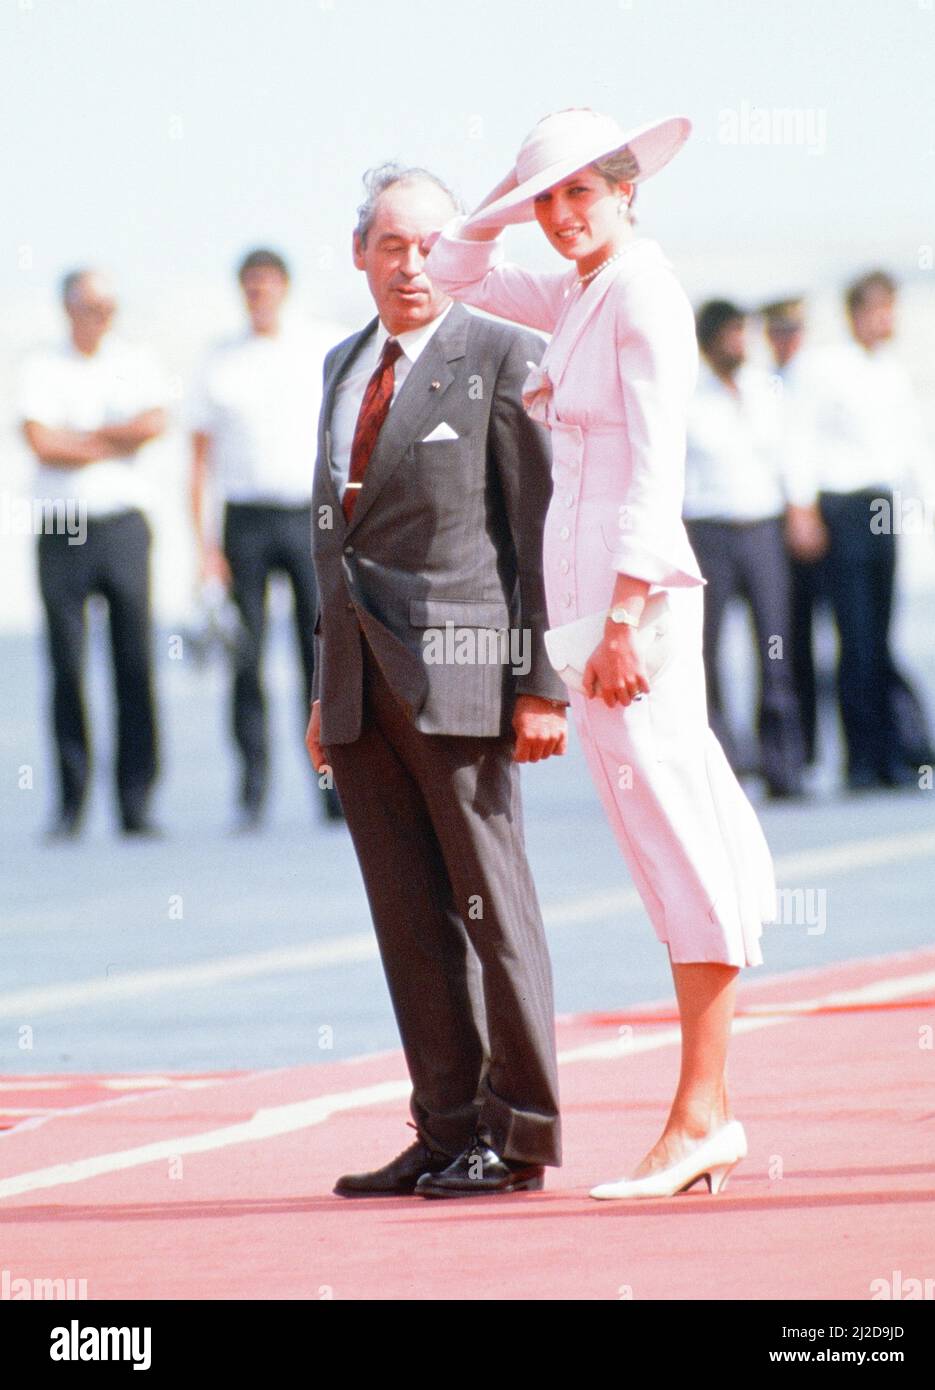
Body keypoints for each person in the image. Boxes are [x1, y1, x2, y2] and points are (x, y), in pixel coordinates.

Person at [426, 107, 777, 1200]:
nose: (563, 215)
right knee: (657, 840)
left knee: (678, 841)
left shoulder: (641, 293)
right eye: (550, 198)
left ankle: (702, 1114)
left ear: (632, 192)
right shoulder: (579, 290)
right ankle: (701, 1113)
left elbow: (656, 466)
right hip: (586, 616)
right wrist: (510, 185)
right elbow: (455, 267)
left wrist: (624, 619)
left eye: (584, 191)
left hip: (633, 614)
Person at [305, 164, 568, 1198]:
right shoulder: (340, 362)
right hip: (363, 688)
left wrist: (541, 681)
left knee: (491, 912)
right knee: (409, 919)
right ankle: (448, 1124)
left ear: (457, 253)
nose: (411, 266)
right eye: (391, 246)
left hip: (466, 677)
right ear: (360, 254)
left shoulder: (504, 353)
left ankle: (522, 1134)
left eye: (429, 246)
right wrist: (326, 689)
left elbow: (536, 531)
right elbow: (330, 535)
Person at [764, 294, 935, 776]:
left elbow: (913, 447)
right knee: (853, 636)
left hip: (880, 506)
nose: (886, 320)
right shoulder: (826, 367)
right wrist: (802, 506)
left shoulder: (890, 372)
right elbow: (798, 437)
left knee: (878, 635)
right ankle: (862, 759)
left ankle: (890, 754)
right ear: (854, 314)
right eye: (877, 310)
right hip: (840, 506)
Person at [189, 248, 344, 827]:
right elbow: (198, 459)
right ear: (240, 291)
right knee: (246, 659)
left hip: (307, 515)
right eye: (250, 285)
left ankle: (330, 787)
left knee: (321, 654)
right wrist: (205, 547)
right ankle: (252, 789)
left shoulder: (317, 348)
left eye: (268, 283)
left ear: (284, 286)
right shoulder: (220, 360)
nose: (260, 293)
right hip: (245, 519)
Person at [18, 269, 167, 838]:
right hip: (63, 524)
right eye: (89, 306)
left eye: (108, 306)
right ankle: (71, 800)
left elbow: (154, 422)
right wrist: (111, 438)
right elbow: (41, 442)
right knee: (67, 664)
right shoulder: (42, 365)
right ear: (67, 308)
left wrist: (79, 438)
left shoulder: (136, 359)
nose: (100, 316)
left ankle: (136, 801)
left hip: (121, 523)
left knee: (134, 661)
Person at [683, 299, 809, 798]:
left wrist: (802, 509)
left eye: (744, 333)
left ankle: (783, 765)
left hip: (762, 529)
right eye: (731, 334)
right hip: (707, 531)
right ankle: (722, 765)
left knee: (776, 647)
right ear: (710, 341)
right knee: (706, 653)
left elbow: (792, 451)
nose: (740, 344)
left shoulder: (766, 388)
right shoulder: (688, 392)